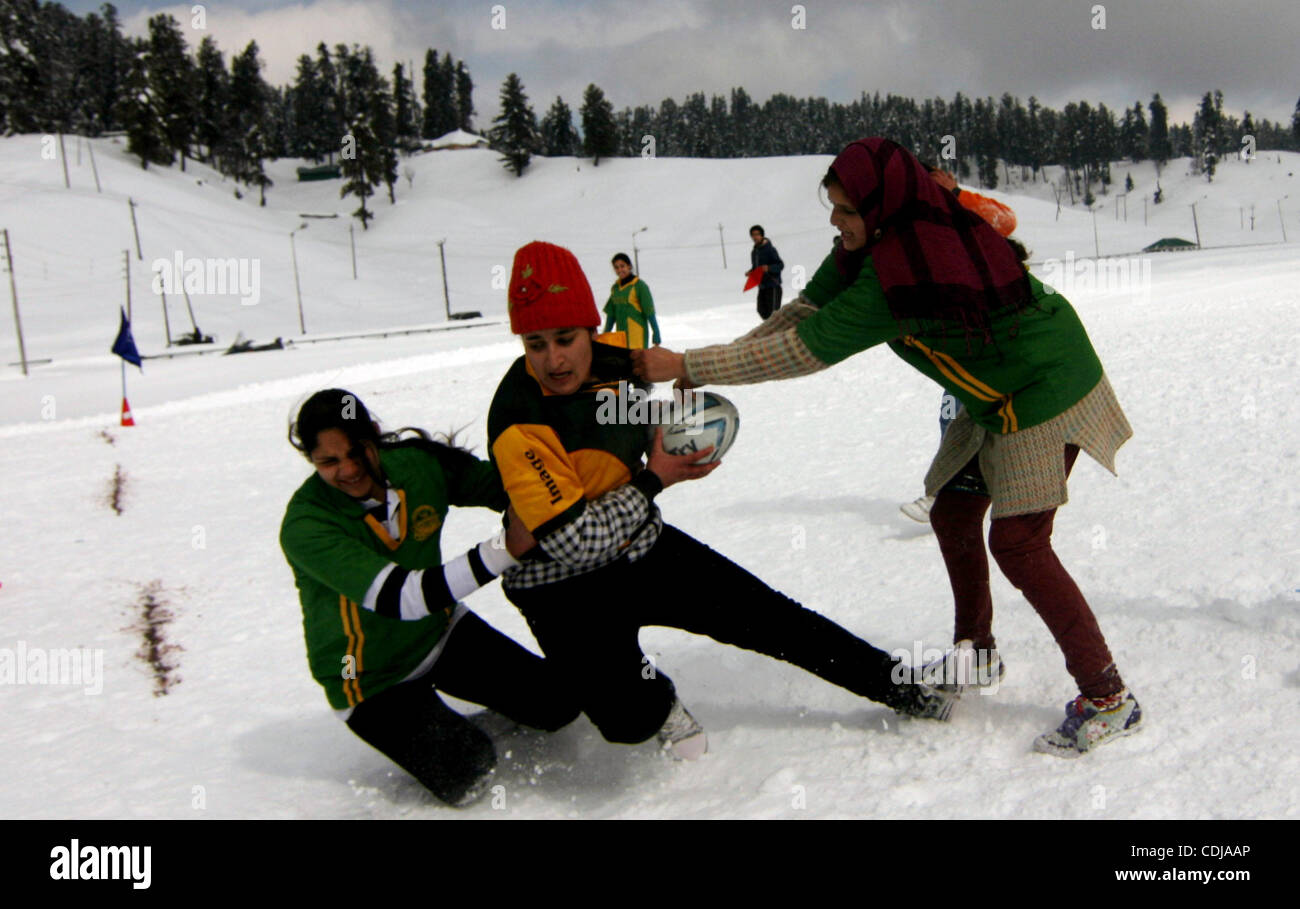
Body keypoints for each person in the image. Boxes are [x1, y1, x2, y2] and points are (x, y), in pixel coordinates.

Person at [632, 138, 1142, 758]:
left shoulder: (897, 272)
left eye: (845, 210)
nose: (833, 221)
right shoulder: (866, 248)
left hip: (1044, 385)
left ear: (880, 208)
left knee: (1019, 544)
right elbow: (800, 314)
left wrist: (691, 361)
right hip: (995, 392)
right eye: (835, 206)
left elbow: (805, 349)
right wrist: (705, 366)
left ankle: (1109, 698)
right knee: (954, 513)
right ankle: (975, 653)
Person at [487, 240, 955, 760]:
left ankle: (900, 686)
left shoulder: (616, 363)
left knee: (777, 620)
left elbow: (625, 424)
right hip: (562, 587)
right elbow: (574, 542)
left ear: (591, 329)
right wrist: (656, 480)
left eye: (565, 338)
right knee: (627, 721)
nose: (553, 359)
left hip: (641, 548)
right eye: (535, 344)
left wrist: (680, 424)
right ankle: (644, 700)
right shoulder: (516, 417)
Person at [279, 389, 579, 806]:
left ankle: (452, 720)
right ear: (310, 461)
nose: (348, 470)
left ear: (375, 437)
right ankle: (440, 731)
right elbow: (402, 597)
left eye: (357, 451)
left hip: (440, 634)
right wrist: (505, 549)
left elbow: (508, 487)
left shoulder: (417, 467)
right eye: (328, 462)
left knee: (559, 704)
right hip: (369, 681)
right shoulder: (306, 525)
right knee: (470, 770)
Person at [901, 165, 1020, 524]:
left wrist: (956, 195)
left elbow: (1005, 221)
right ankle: (948, 494)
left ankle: (961, 495)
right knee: (954, 416)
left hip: (998, 333)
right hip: (959, 339)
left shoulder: (966, 215)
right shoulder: (915, 226)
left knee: (992, 420)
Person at [603, 252, 661, 349]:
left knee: (636, 362)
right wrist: (605, 335)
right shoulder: (615, 288)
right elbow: (611, 315)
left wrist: (656, 333)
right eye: (616, 267)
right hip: (621, 338)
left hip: (636, 336)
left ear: (629, 266)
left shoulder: (639, 286)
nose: (619, 270)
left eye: (622, 266)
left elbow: (649, 311)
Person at [748, 225, 784, 320]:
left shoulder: (770, 250)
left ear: (762, 235)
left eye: (757, 234)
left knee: (773, 314)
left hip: (773, 286)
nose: (755, 237)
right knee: (761, 310)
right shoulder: (754, 252)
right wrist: (751, 272)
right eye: (753, 235)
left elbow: (780, 265)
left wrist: (769, 268)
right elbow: (756, 268)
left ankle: (776, 331)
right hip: (762, 286)